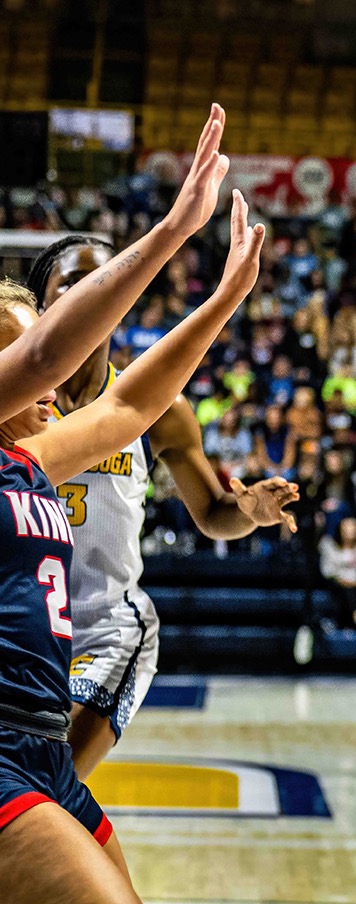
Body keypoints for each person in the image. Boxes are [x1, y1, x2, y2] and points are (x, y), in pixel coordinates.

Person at [0, 108, 261, 904]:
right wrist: (172, 231)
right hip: (1, 739)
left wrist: (225, 294)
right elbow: (49, 365)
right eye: (33, 350)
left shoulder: (29, 451)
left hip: (53, 712)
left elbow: (130, 404)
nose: (53, 367)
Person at [24, 236, 299, 784]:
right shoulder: (13, 404)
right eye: (73, 284)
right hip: (23, 627)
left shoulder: (160, 409)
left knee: (47, 782)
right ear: (41, 304)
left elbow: (215, 512)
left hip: (106, 627)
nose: (93, 295)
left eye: (107, 283)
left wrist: (249, 510)